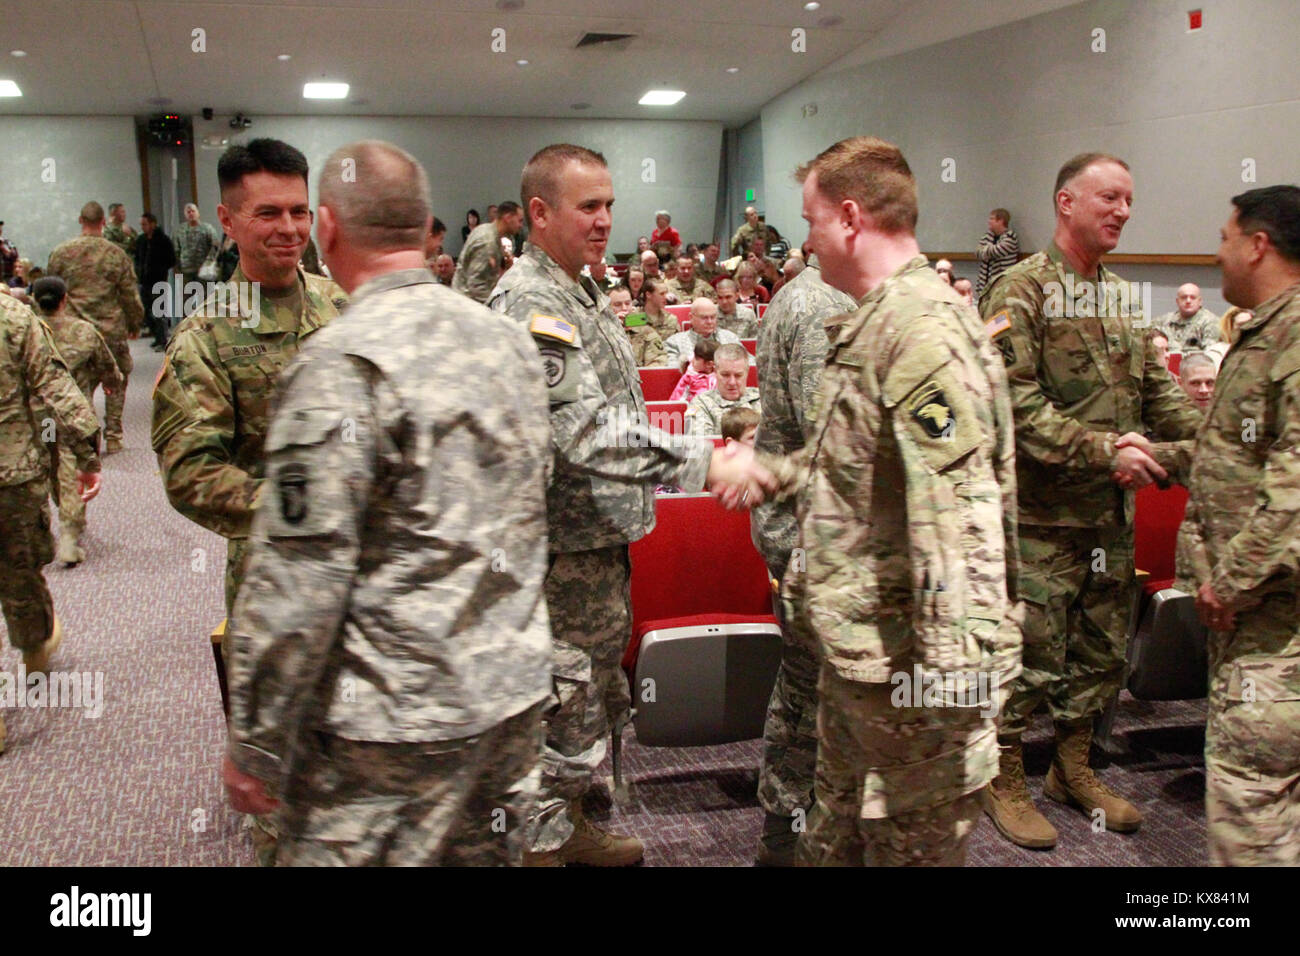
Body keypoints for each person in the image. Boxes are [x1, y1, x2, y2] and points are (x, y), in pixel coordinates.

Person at [222, 140, 552, 866]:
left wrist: (256, 737)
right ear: (426, 224)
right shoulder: (510, 342)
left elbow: (299, 579)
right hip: (513, 695)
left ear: (327, 227)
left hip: (393, 727)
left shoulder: (340, 363)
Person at [487, 142, 772, 867]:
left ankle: (575, 824)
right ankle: (538, 850)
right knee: (554, 704)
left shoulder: (579, 287)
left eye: (610, 203)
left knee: (590, 697)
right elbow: (578, 427)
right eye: (589, 206)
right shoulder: (530, 298)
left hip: (596, 538)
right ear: (539, 212)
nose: (606, 219)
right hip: (555, 549)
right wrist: (701, 456)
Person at [745, 136, 1020, 867]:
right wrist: (766, 473)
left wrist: (952, 703)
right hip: (862, 659)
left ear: (849, 218)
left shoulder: (921, 330)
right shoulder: (875, 319)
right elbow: (860, 463)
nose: (802, 243)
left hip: (915, 687)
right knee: (835, 846)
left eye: (808, 223)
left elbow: (961, 523)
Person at [979, 152, 1204, 850]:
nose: (1123, 211)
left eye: (1130, 200)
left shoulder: (1119, 297)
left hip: (1110, 518)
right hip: (1039, 519)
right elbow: (1011, 402)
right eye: (1109, 197)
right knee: (1026, 655)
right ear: (1066, 202)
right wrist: (1103, 450)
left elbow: (1160, 394)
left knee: (1101, 653)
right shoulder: (1021, 291)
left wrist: (1214, 445)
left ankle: (1071, 768)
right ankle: (1004, 776)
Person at [152, 138, 346, 865]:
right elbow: (190, 472)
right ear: (227, 223)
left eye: (299, 211)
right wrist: (301, 512)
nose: (289, 228)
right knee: (284, 784)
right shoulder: (208, 335)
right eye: (268, 213)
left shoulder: (338, 305)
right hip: (278, 583)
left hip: (363, 579)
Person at [1177, 184, 1300, 866]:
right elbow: (1236, 452)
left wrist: (1230, 583)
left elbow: (1294, 489)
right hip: (1263, 621)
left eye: (1225, 238)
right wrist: (1150, 455)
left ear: (1258, 245)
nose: (1216, 253)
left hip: (1272, 628)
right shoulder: (1269, 330)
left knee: (1253, 815)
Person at [749, 251, 856, 865]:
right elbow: (832, 442)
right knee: (811, 697)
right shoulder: (821, 306)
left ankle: (798, 833)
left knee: (814, 693)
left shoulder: (836, 297)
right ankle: (790, 836)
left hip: (828, 534)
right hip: (817, 536)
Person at [0, 290, 103, 754]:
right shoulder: (12, 317)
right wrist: (86, 452)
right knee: (18, 572)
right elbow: (57, 385)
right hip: (11, 476)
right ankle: (35, 646)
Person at [31, 276, 121, 566]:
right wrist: (109, 383)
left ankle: (41, 532)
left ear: (34, 300)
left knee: (41, 471)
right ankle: (69, 534)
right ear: (64, 300)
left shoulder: (26, 331)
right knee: (69, 473)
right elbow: (110, 370)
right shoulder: (84, 331)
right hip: (74, 417)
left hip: (37, 417)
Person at [46, 201, 144, 454]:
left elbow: (50, 293)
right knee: (117, 380)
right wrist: (135, 323)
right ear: (103, 222)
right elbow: (129, 295)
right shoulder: (116, 254)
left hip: (75, 332)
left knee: (81, 384)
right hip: (111, 330)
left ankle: (87, 437)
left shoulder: (60, 253)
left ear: (80, 220)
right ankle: (114, 435)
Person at [453, 201, 524, 303]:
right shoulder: (487, 242)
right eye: (520, 221)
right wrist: (501, 305)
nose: (521, 225)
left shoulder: (485, 230)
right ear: (508, 218)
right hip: (468, 306)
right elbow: (476, 288)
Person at [686, 343, 759, 436]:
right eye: (725, 375)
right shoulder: (701, 403)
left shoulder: (763, 399)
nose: (732, 382)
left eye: (738, 375)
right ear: (715, 372)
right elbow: (700, 446)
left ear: (747, 372)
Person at [663, 296, 741, 370]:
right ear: (691, 317)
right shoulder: (674, 342)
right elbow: (672, 370)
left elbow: (748, 362)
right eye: (704, 318)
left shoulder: (730, 339)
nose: (709, 322)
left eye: (713, 317)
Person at [135, 212, 176, 350]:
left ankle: (163, 340)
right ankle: (156, 337)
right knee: (146, 311)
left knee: (159, 312)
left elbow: (171, 259)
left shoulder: (163, 240)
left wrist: (160, 268)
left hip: (158, 280)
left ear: (153, 224)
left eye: (145, 224)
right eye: (141, 224)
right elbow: (137, 258)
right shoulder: (141, 240)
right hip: (144, 281)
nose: (142, 227)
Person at [174, 203, 221, 305]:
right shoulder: (180, 230)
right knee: (186, 303)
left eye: (193, 211)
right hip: (186, 271)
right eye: (188, 212)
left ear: (198, 213)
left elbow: (215, 246)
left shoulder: (208, 228)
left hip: (204, 272)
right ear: (185, 215)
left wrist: (208, 263)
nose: (191, 214)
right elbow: (176, 250)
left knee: (206, 301)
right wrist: (177, 268)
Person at [1155, 282, 1220, 352]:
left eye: (1193, 297)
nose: (1188, 301)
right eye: (1184, 297)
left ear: (1200, 301)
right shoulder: (1164, 321)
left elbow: (1210, 354)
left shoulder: (1210, 322)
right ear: (1177, 301)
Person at [612, 286, 665, 366]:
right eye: (617, 305)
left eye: (627, 303)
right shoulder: (600, 333)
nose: (624, 308)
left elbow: (658, 362)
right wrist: (613, 329)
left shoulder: (646, 332)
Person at [975, 208, 1020, 301]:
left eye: (992, 219)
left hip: (1002, 286)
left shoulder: (1010, 237)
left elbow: (997, 251)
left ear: (1000, 221)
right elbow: (978, 252)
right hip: (984, 286)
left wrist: (986, 250)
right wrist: (988, 250)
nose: (989, 221)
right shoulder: (987, 236)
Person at [637, 276, 680, 342]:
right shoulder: (634, 317)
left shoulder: (671, 320)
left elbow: (677, 344)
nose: (666, 297)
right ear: (648, 295)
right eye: (662, 294)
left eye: (666, 293)